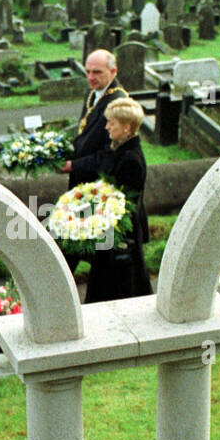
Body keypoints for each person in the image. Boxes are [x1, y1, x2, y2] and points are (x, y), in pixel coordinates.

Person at [83, 97, 153, 303]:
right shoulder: (117, 149)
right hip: (108, 231)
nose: (106, 127)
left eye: (111, 123)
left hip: (120, 235)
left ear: (127, 127)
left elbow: (122, 203)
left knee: (122, 288)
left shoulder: (130, 159)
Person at [59, 49, 129, 188]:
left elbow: (111, 153)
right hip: (82, 177)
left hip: (100, 183)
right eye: (88, 72)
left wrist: (73, 165)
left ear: (113, 72)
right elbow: (85, 132)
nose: (91, 77)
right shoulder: (92, 92)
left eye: (97, 72)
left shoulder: (118, 104)